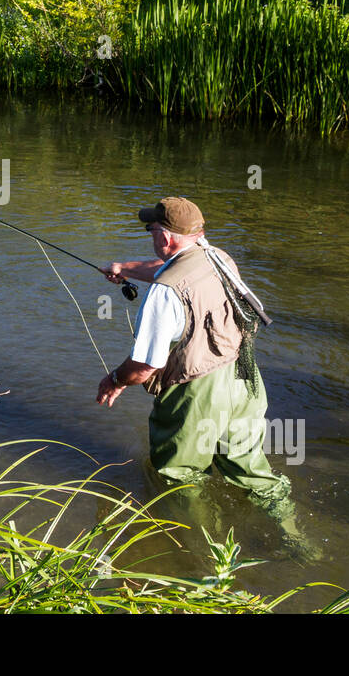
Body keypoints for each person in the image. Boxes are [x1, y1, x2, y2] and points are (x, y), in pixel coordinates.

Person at [95, 196, 293, 516]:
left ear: (165, 236)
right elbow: (175, 268)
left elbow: (146, 366)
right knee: (253, 473)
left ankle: (200, 554)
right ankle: (295, 537)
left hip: (196, 396)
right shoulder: (219, 258)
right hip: (244, 379)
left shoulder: (163, 293)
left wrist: (115, 379)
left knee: (179, 478)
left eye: (151, 228)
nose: (150, 235)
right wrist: (123, 268)